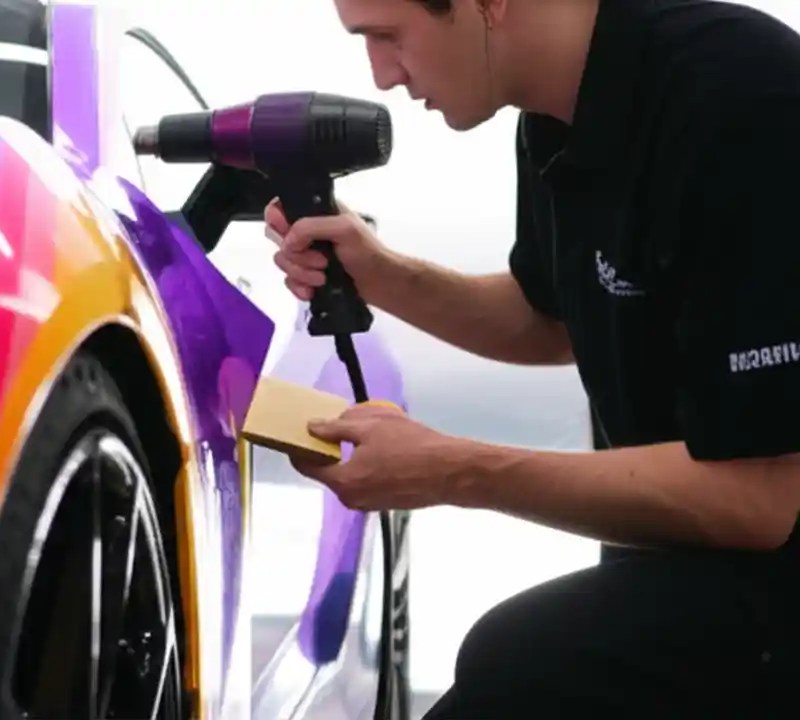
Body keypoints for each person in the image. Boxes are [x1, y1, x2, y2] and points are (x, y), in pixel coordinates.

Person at [267, 0, 800, 717]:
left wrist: (452, 469)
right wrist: (381, 274)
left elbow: (762, 498)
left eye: (388, 36)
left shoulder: (742, 99)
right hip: (687, 569)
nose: (382, 75)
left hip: (771, 583)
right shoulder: (554, 117)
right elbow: (553, 320)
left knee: (517, 658)